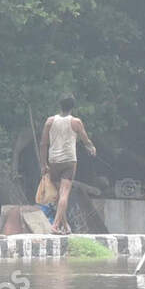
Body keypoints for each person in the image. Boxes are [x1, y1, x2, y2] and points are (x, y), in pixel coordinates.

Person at [40, 95, 95, 235]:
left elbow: (43, 144)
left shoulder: (50, 121)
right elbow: (85, 139)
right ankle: (55, 226)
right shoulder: (76, 122)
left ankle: (66, 226)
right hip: (69, 162)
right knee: (64, 195)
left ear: (60, 105)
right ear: (72, 107)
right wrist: (91, 148)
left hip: (53, 161)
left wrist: (43, 164)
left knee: (59, 196)